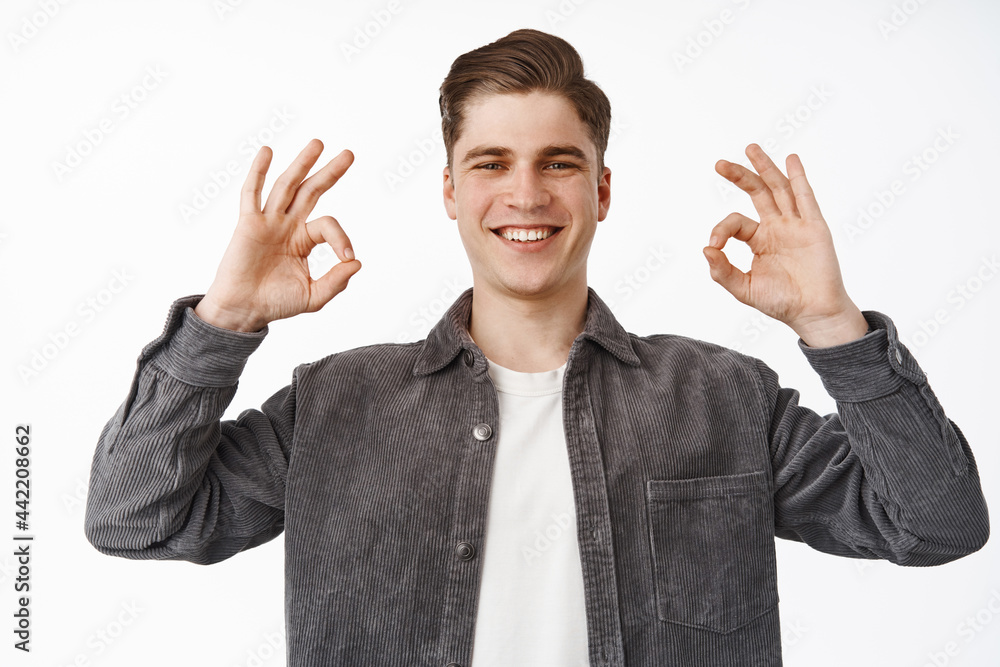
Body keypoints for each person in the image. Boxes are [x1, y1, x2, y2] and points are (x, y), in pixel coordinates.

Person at [84, 28, 989, 666]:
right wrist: (224, 321)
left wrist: (834, 326)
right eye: (491, 163)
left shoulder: (724, 396)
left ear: (601, 189)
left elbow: (936, 522)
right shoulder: (334, 403)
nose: (527, 193)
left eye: (558, 163)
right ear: (447, 189)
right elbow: (134, 518)